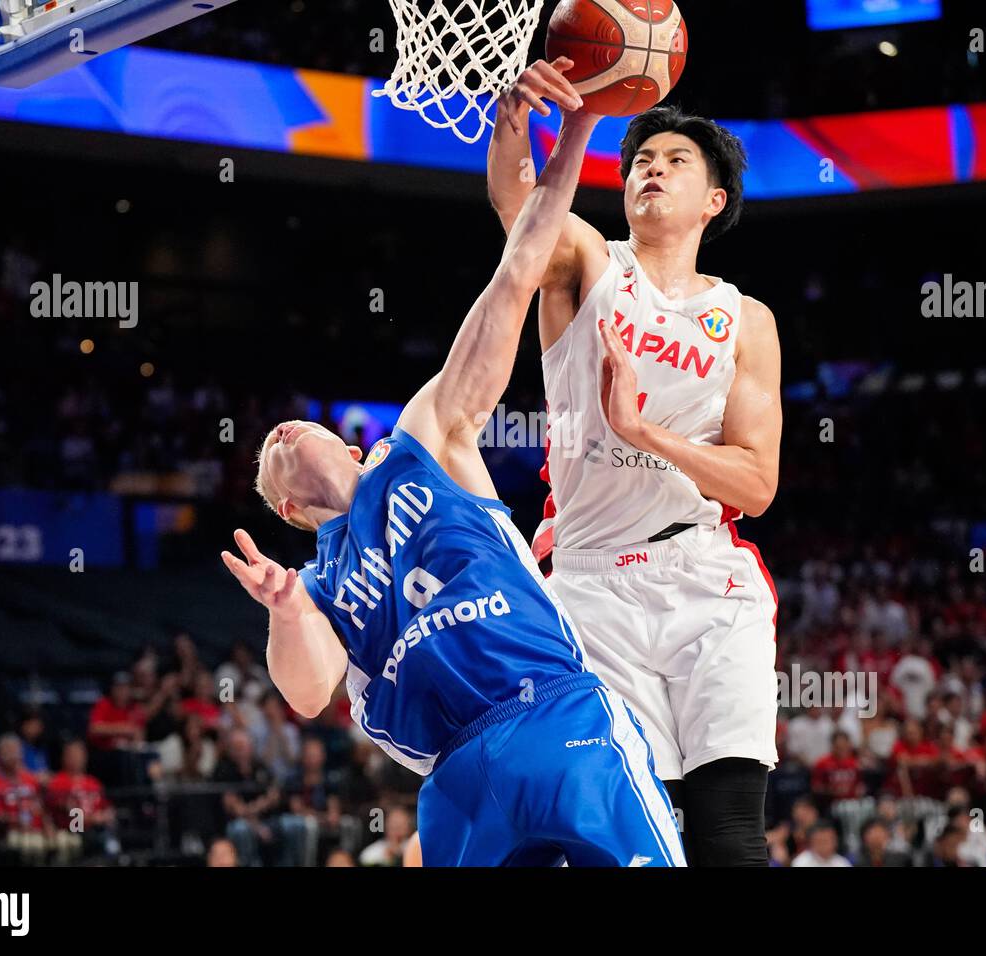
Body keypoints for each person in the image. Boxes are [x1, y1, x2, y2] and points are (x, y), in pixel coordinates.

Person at [222, 105, 684, 867]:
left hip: (554, 715)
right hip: (456, 781)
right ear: (291, 511)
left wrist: (578, 130)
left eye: (286, 429)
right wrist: (284, 609)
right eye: (266, 468)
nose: (274, 438)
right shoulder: (317, 583)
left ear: (348, 443)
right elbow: (308, 694)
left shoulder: (425, 441)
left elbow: (518, 271)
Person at [487, 59, 782, 866]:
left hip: (705, 581)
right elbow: (522, 211)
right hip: (591, 590)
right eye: (642, 159)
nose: (652, 167)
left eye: (675, 160)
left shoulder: (746, 319)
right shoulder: (589, 260)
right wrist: (514, 127)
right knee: (632, 839)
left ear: (713, 201)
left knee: (728, 831)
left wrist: (647, 433)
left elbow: (756, 484)